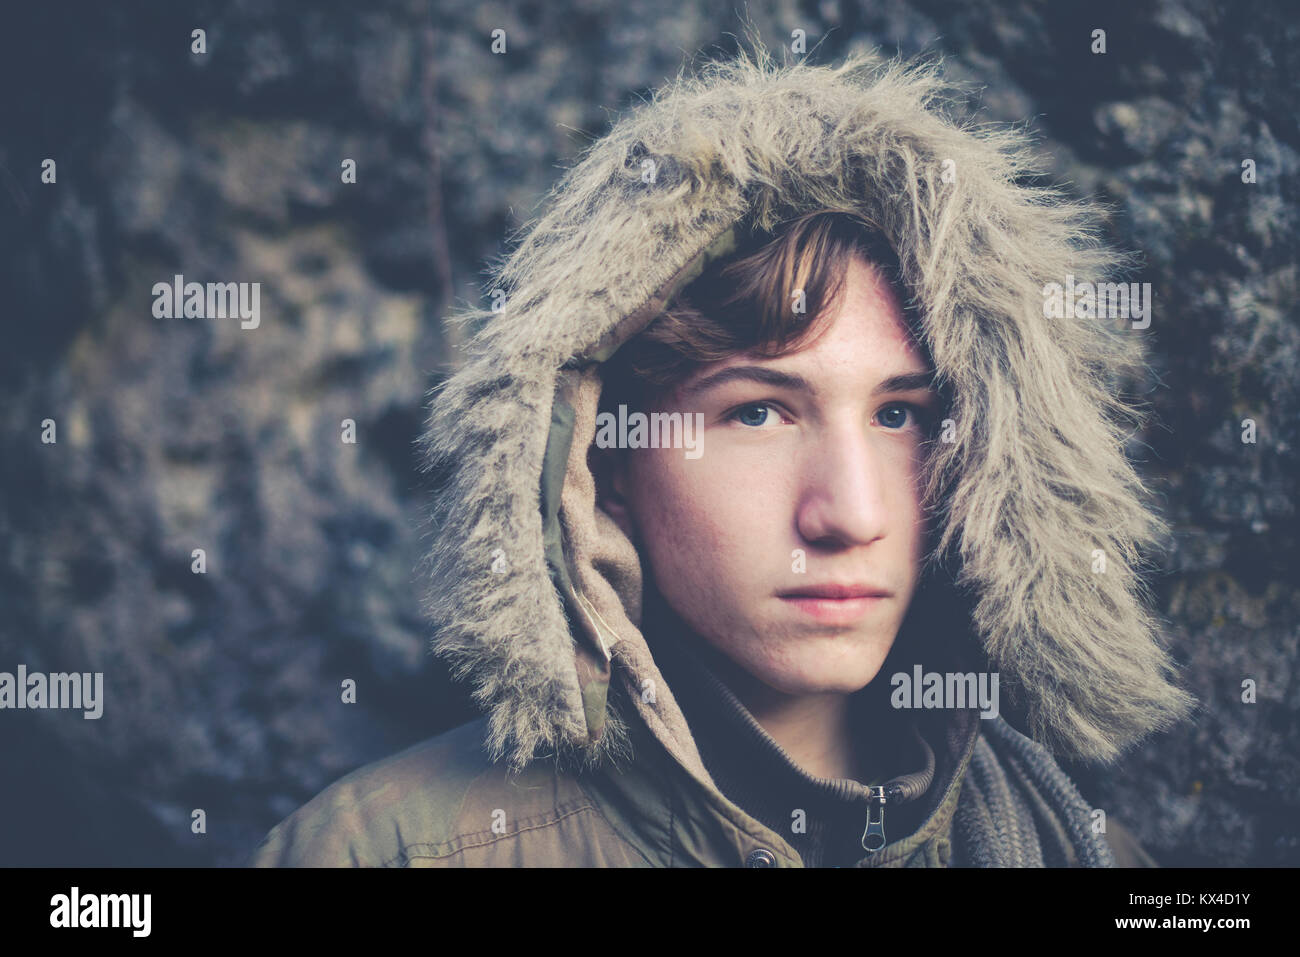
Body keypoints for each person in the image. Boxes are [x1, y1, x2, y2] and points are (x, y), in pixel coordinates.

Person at [249, 43, 1194, 868]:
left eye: (900, 416)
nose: (850, 514)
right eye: (758, 414)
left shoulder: (1074, 844)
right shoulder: (383, 853)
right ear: (603, 463)